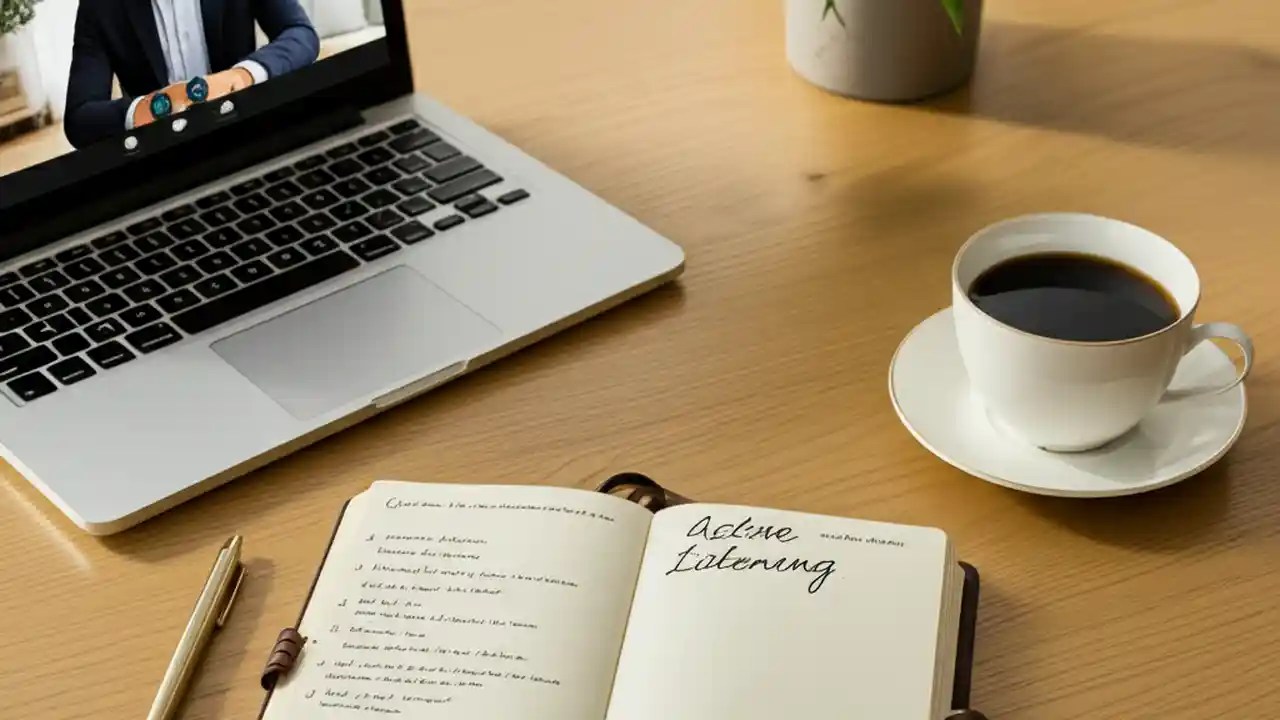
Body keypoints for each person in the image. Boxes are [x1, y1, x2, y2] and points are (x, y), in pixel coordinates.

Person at [64, 0, 321, 149]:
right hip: (164, 160)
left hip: (249, 136)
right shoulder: (97, 7)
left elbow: (300, 35)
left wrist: (239, 76)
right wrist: (158, 106)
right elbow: (80, 118)